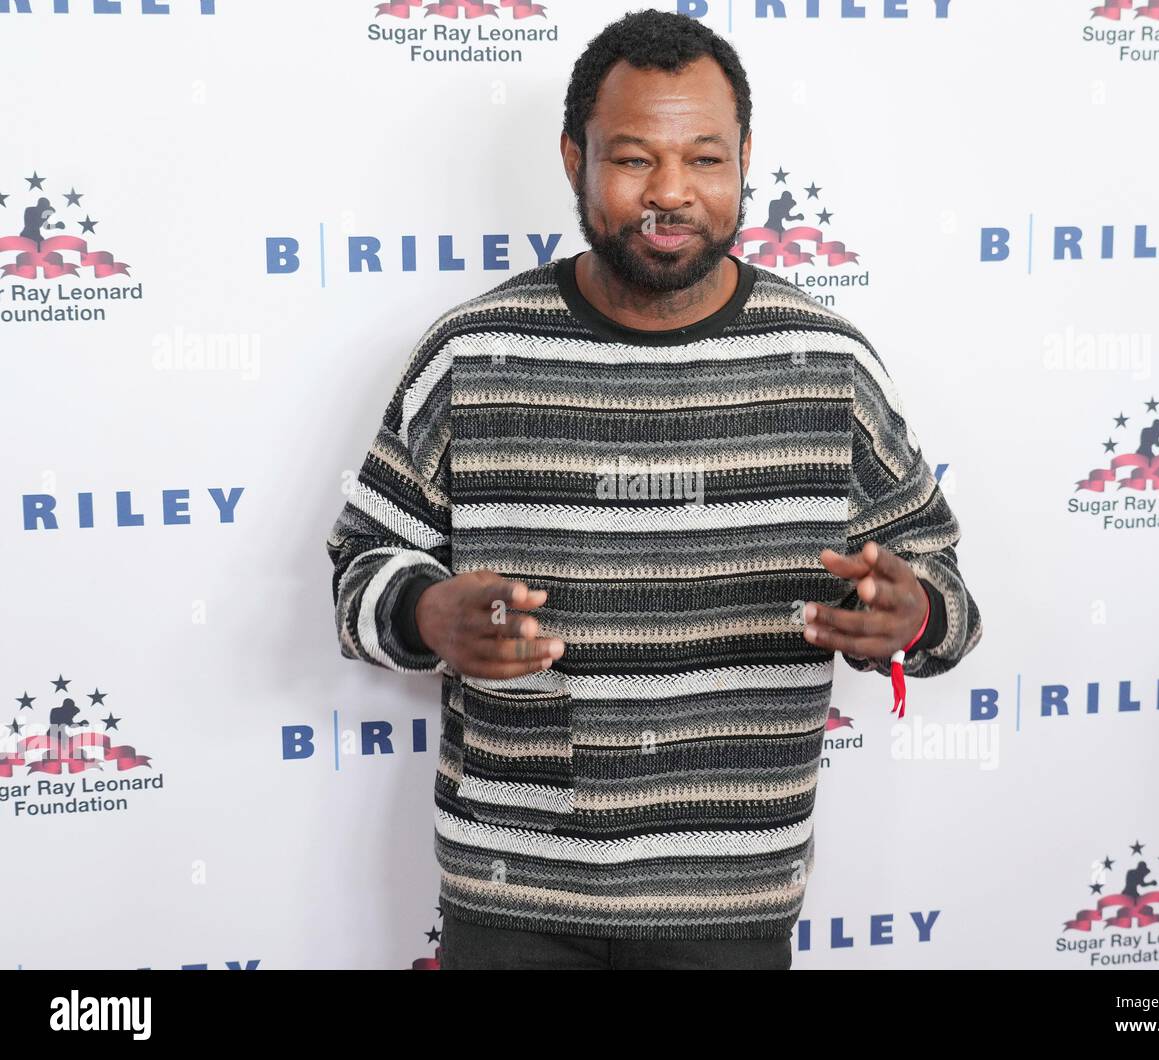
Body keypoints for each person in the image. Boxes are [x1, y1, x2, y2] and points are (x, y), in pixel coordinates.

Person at [326, 8, 982, 971]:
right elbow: (358, 572)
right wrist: (427, 612)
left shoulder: (826, 363)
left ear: (746, 159)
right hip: (514, 893)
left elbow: (946, 601)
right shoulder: (474, 352)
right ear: (572, 158)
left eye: (705, 161)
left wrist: (910, 613)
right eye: (633, 159)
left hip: (731, 900)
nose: (670, 193)